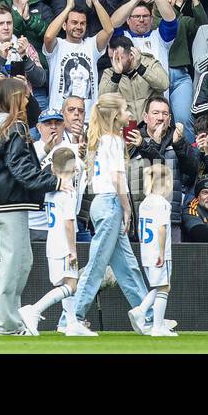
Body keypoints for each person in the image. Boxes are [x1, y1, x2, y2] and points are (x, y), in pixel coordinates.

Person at [0, 78, 58, 337]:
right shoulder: (14, 125)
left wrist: (40, 154)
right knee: (14, 261)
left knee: (19, 260)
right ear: (15, 98)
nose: (28, 100)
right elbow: (20, 169)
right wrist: (54, 180)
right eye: (24, 96)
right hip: (10, 202)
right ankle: (7, 323)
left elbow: (5, 163)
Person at [65, 93, 152, 337]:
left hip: (101, 204)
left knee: (128, 266)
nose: (130, 115)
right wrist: (126, 209)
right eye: (126, 110)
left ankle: (148, 314)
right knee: (96, 265)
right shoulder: (113, 140)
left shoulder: (101, 139)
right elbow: (117, 178)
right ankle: (74, 318)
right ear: (115, 116)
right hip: (110, 203)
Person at [18, 145, 80, 334]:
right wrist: (73, 250)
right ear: (75, 166)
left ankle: (70, 323)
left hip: (52, 242)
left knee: (67, 283)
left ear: (52, 168)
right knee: (71, 285)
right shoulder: (68, 191)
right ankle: (34, 310)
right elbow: (69, 223)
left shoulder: (49, 189)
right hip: (64, 244)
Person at [133, 163, 177, 337]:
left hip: (146, 251)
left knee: (161, 286)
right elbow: (161, 228)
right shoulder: (162, 203)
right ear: (167, 183)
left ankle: (141, 310)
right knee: (164, 288)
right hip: (159, 252)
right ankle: (158, 327)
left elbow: (140, 229)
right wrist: (160, 252)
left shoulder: (145, 203)